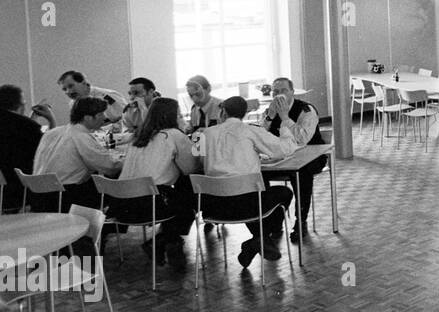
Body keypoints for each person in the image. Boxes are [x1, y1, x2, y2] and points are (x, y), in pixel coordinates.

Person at [197, 96, 297, 267]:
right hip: (248, 205)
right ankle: (259, 240)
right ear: (244, 114)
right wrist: (285, 122)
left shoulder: (204, 134)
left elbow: (196, 161)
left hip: (213, 206)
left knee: (253, 192)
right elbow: (286, 149)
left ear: (223, 112)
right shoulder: (250, 131)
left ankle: (258, 240)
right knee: (284, 192)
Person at [116, 97, 197, 271]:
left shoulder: (138, 136)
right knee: (189, 193)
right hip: (151, 204)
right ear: (173, 116)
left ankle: (168, 241)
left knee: (179, 196)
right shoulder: (173, 135)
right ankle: (166, 240)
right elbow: (190, 168)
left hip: (122, 206)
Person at [258, 77, 326, 242]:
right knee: (258, 173)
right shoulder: (269, 111)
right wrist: (271, 117)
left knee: (301, 173)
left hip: (311, 156)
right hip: (281, 156)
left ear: (292, 92)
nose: (278, 95)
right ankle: (272, 220)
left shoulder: (306, 110)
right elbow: (258, 136)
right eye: (275, 91)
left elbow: (302, 139)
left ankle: (300, 221)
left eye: (283, 91)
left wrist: (285, 118)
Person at [32, 96, 120, 211]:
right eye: (101, 114)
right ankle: (108, 226)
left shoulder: (51, 133)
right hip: (63, 198)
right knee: (115, 187)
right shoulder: (81, 136)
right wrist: (127, 161)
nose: (104, 118)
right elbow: (109, 167)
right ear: (88, 118)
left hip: (38, 195)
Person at [1, 84, 54, 213]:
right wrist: (51, 119)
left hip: (3, 187)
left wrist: (32, 120)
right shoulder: (27, 126)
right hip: (21, 188)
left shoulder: (23, 124)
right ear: (20, 105)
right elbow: (48, 149)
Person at [57, 70, 124, 125]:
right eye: (64, 89)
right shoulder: (73, 104)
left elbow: (128, 119)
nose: (68, 91)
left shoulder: (107, 96)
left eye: (71, 86)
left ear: (84, 83)